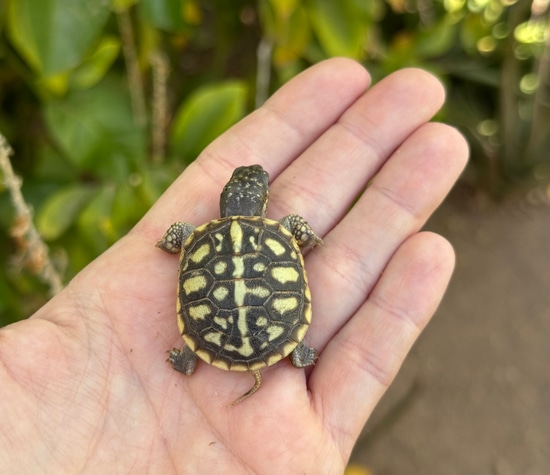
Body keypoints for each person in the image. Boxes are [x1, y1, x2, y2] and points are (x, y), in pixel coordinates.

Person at [0, 58, 467, 473]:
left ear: (230, 200)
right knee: (293, 343)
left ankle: (194, 360)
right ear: (261, 201)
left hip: (210, 337)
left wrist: (169, 241)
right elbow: (301, 236)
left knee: (204, 326)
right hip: (279, 341)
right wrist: (309, 236)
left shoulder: (196, 235)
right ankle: (291, 351)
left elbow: (174, 241)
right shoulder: (281, 231)